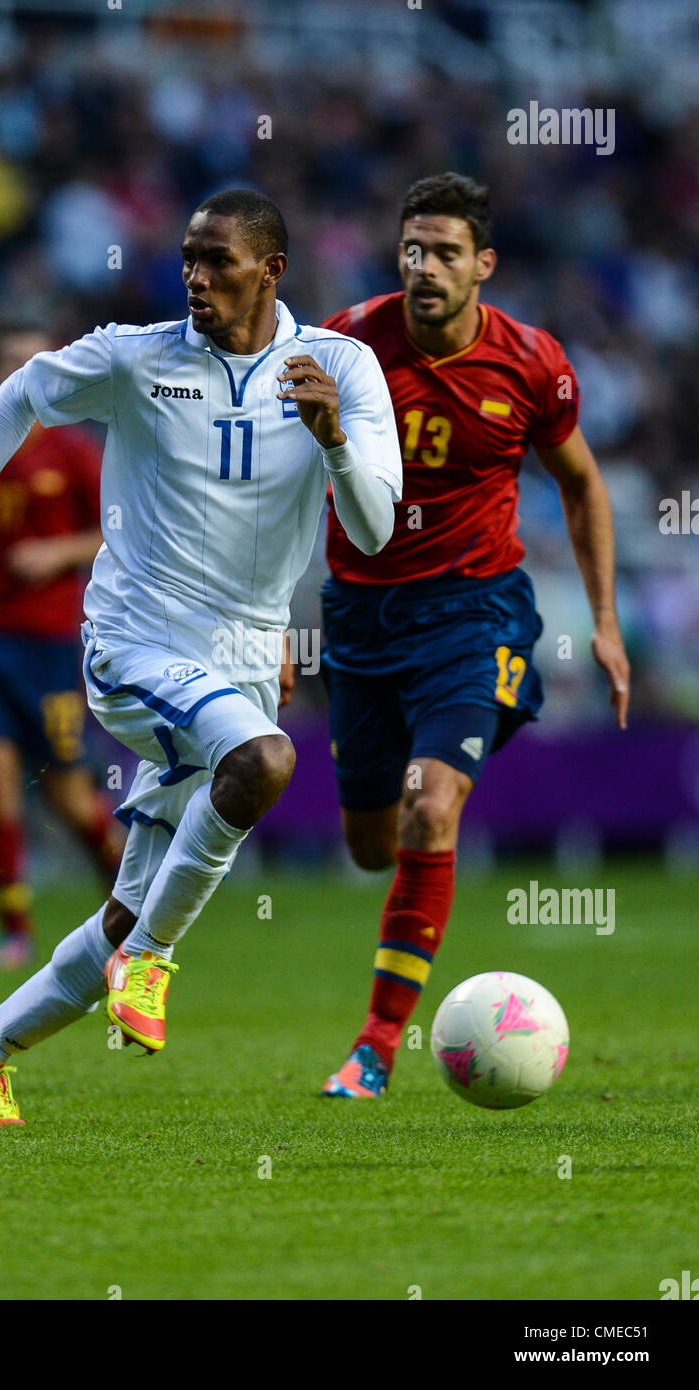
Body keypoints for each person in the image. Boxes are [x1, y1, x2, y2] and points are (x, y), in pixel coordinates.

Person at [0, 188, 402, 1125]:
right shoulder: (138, 357)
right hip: (133, 641)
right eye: (187, 256)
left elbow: (376, 532)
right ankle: (151, 961)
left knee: (127, 906)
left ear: (271, 271)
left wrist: (334, 437)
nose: (194, 275)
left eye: (217, 260)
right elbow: (21, 392)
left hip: (247, 657)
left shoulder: (339, 368)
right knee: (264, 760)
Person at [319, 173, 630, 1100]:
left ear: (482, 266)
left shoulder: (532, 364)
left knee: (430, 809)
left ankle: (373, 1049)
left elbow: (579, 483)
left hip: (473, 608)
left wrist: (605, 623)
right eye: (412, 248)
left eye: (445, 251)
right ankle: (411, 915)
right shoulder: (343, 344)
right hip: (361, 614)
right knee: (372, 845)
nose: (424, 267)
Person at [0, 325, 122, 969]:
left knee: (72, 798)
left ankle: (133, 909)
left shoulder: (74, 455)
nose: (24, 375)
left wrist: (59, 552)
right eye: (11, 363)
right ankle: (13, 928)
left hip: (47, 646)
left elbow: (116, 532)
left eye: (36, 364)